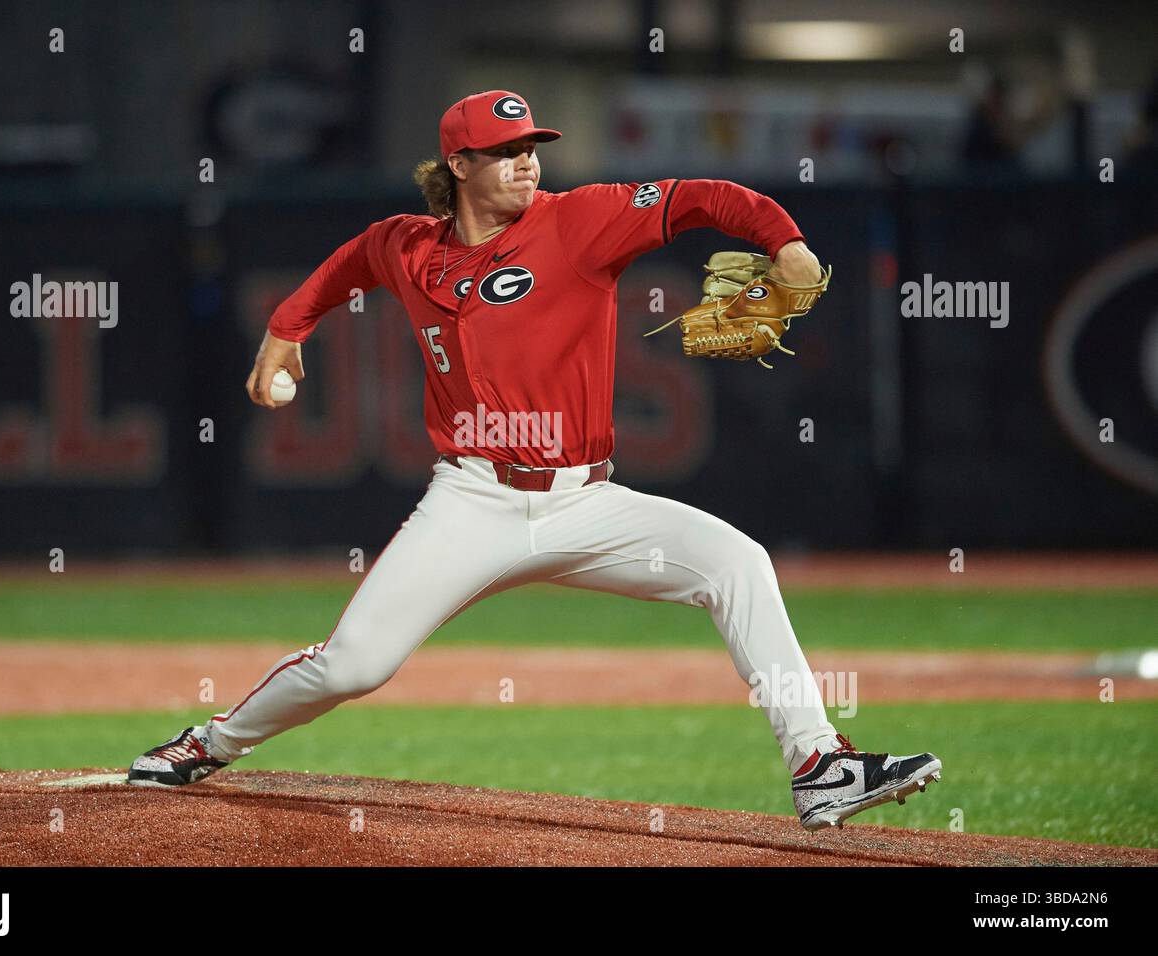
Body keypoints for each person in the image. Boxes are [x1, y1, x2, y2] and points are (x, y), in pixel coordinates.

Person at [128, 90, 941, 830]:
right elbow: (351, 264)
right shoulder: (408, 247)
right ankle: (209, 741)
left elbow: (705, 197)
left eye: (532, 146)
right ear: (459, 165)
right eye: (506, 148)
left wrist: (785, 241)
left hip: (586, 503)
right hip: (473, 502)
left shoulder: (581, 220)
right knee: (354, 666)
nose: (527, 160)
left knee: (737, 562)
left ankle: (820, 765)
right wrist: (286, 330)